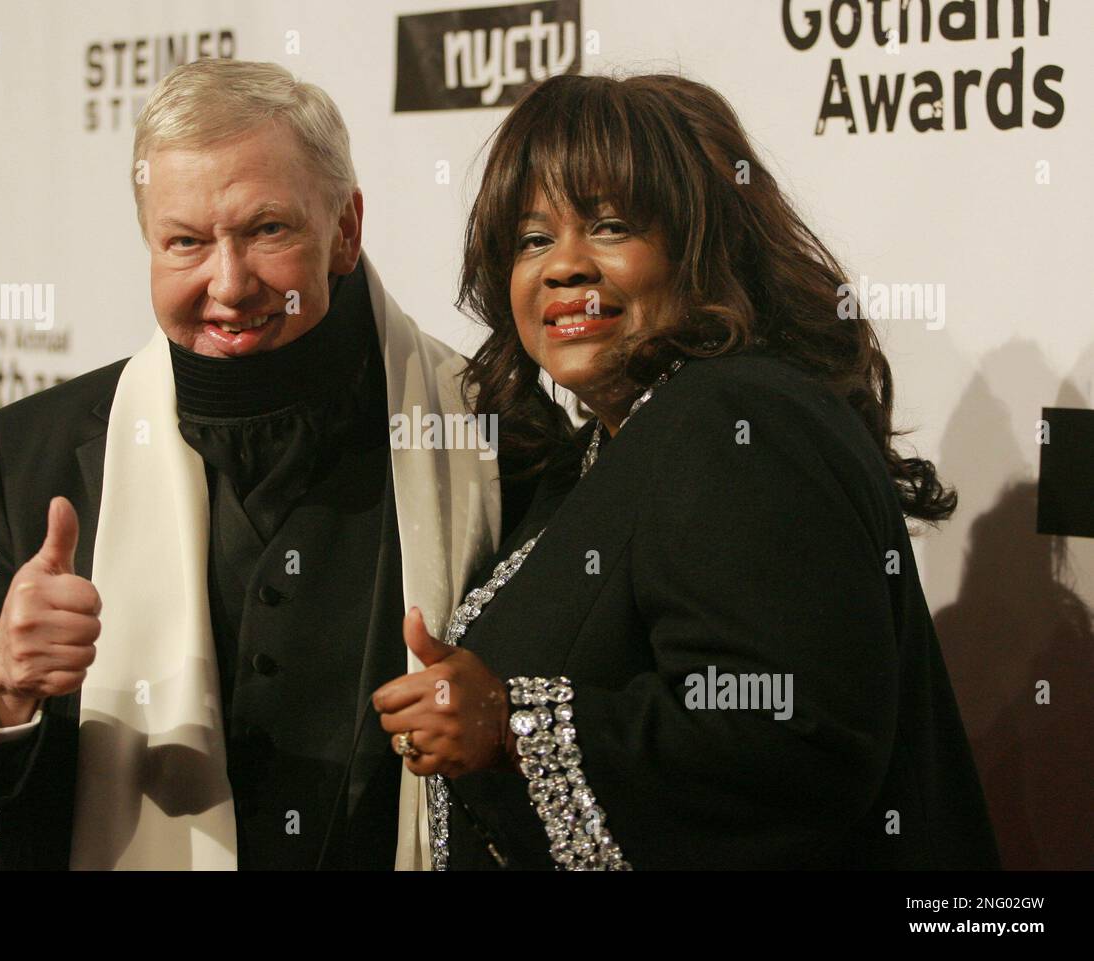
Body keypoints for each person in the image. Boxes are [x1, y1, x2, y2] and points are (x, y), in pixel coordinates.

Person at [0, 59, 528, 870]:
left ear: (346, 230)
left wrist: (502, 726)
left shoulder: (496, 432)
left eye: (266, 230)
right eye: (185, 242)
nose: (228, 282)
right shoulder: (30, 455)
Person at [372, 72, 1001, 870]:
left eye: (608, 226)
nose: (562, 267)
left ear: (702, 246)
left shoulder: (737, 421)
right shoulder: (624, 438)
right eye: (533, 239)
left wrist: (510, 724)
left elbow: (793, 733)